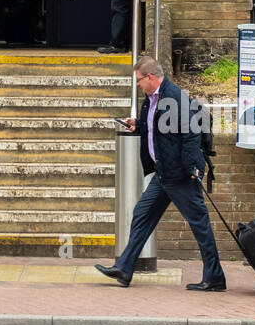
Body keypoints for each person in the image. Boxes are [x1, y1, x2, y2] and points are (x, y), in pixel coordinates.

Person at [94, 57, 226, 290]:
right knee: (142, 214)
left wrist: (193, 168)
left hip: (180, 176)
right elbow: (156, 127)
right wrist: (137, 124)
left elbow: (191, 134)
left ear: (150, 77)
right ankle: (124, 268)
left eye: (139, 81)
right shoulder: (152, 98)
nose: (138, 85)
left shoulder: (174, 97)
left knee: (199, 223)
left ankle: (214, 277)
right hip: (163, 173)